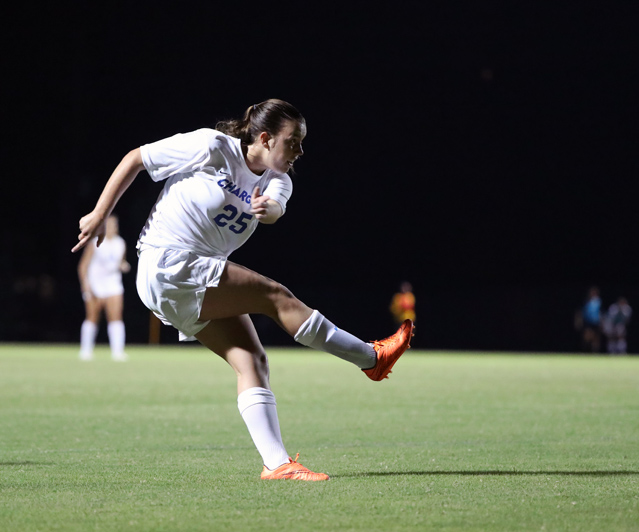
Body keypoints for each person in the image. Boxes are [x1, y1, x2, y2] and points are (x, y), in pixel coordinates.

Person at [72, 99, 414, 482]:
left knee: (252, 361)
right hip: (168, 262)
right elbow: (136, 158)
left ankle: (277, 464)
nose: (300, 151)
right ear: (265, 139)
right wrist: (100, 213)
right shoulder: (212, 146)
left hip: (187, 283)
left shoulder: (278, 180)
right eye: (294, 141)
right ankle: (371, 358)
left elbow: (276, 208)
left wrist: (270, 210)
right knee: (275, 296)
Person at [77, 215, 132, 361]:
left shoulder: (120, 243)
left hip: (113, 283)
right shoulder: (95, 242)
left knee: (116, 316)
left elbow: (120, 262)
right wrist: (86, 285)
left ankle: (118, 352)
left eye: (114, 225)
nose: (111, 228)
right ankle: (85, 350)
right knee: (92, 317)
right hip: (95, 283)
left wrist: (123, 266)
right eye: (108, 225)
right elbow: (83, 266)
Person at [576, 286, 603, 353]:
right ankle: (585, 351)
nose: (593, 294)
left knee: (596, 338)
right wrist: (578, 321)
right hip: (588, 322)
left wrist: (602, 322)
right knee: (587, 337)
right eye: (592, 292)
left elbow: (601, 312)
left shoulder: (599, 302)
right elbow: (580, 312)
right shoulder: (586, 301)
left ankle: (595, 352)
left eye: (594, 292)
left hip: (596, 322)